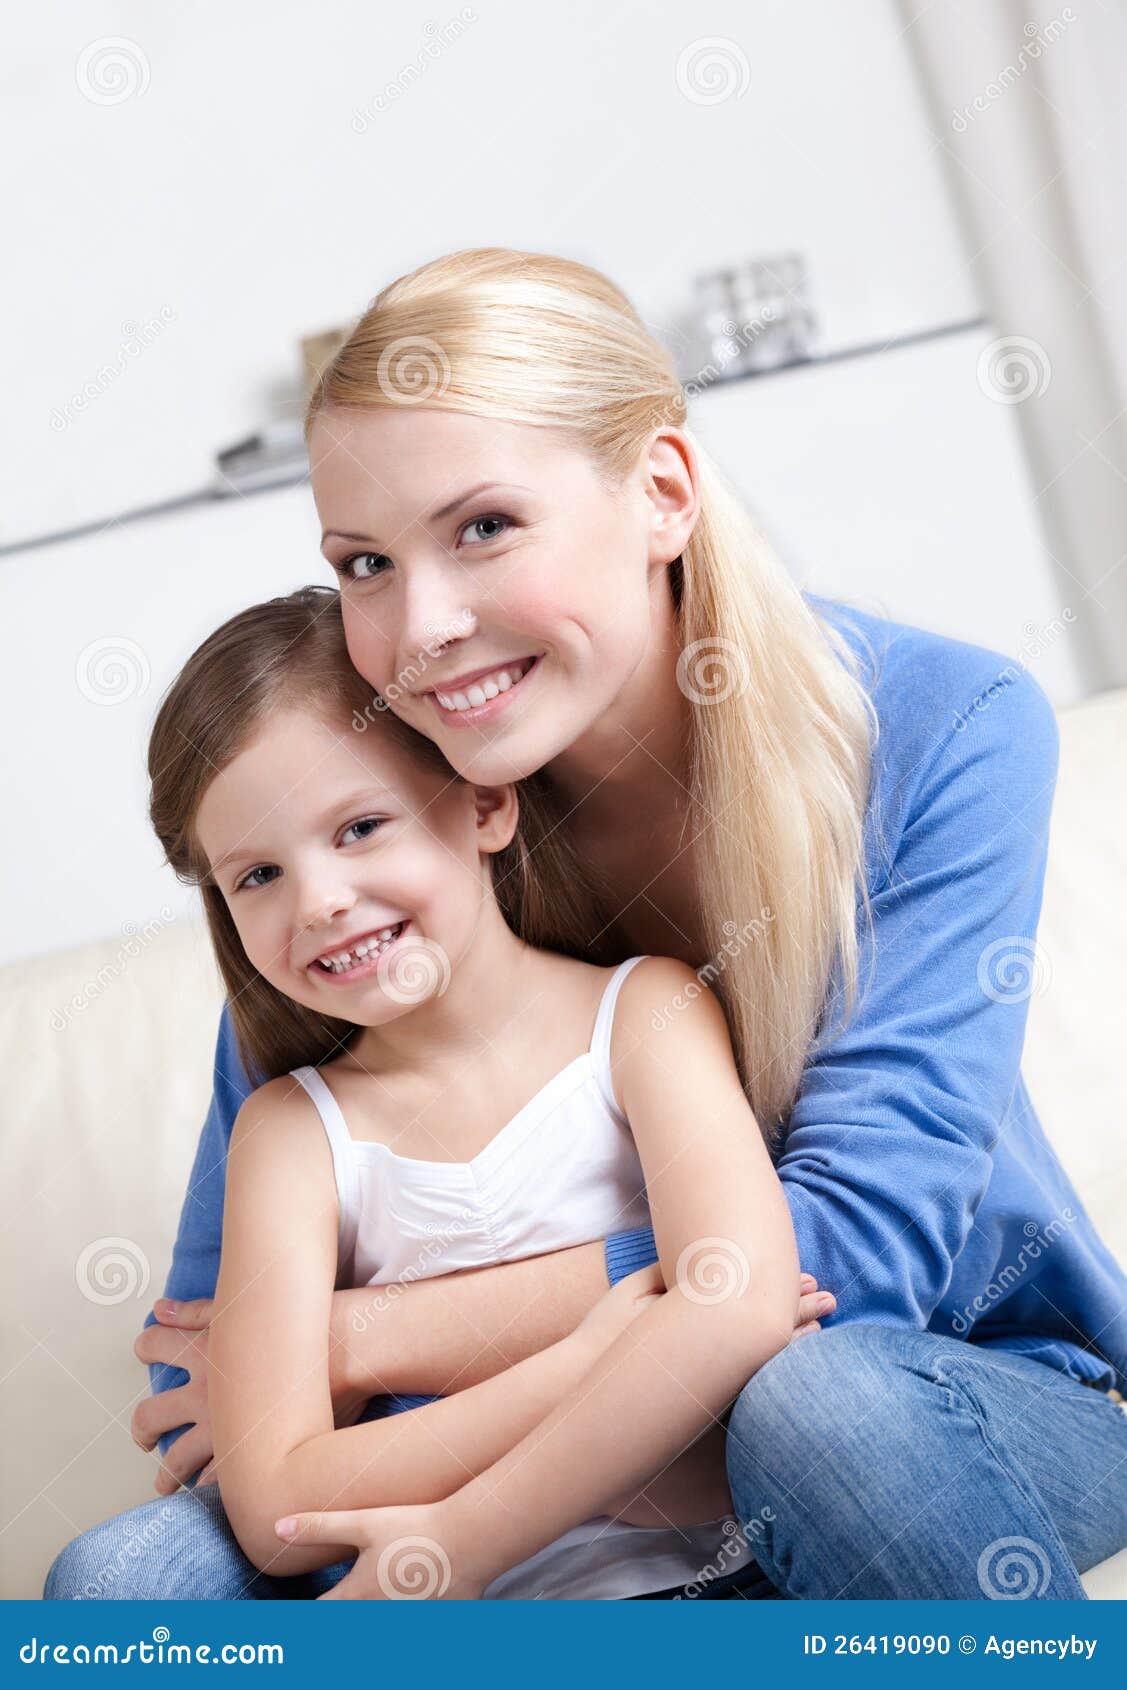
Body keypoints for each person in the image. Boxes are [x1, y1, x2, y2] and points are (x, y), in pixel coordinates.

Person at [46, 247, 1127, 1602]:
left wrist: (360, 1332)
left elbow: (833, 1267)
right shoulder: (395, 814)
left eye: (485, 526)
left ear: (663, 492)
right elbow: (198, 1373)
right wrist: (337, 1369)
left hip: (932, 1381)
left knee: (822, 1404)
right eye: (365, 561)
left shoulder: (941, 729)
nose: (423, 626)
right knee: (127, 1582)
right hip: (533, 1458)